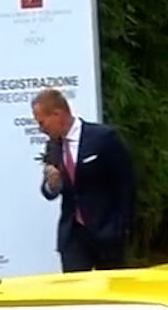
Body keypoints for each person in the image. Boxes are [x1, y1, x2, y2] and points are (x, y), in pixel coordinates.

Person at [33, 89, 137, 272]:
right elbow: (49, 190)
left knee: (111, 292)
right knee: (75, 292)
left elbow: (125, 183)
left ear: (58, 114)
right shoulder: (53, 146)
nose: (41, 129)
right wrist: (52, 185)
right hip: (73, 235)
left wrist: (121, 226)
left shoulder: (103, 138)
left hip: (106, 231)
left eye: (42, 123)